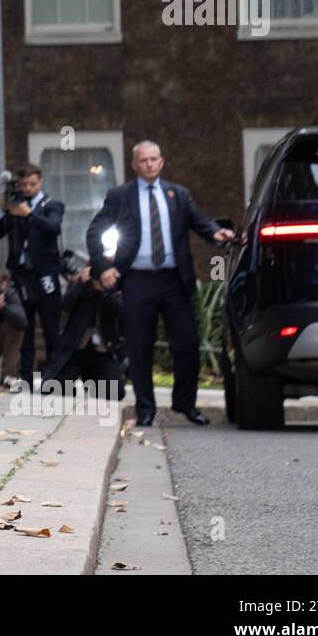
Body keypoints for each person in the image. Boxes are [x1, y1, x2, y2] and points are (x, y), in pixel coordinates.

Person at [85, 141, 234, 426]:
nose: (150, 164)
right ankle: (145, 410)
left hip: (174, 280)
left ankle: (186, 404)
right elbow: (95, 231)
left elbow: (200, 222)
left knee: (188, 342)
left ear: (162, 162)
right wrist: (103, 268)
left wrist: (217, 234)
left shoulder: (178, 194)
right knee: (140, 346)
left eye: (154, 159)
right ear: (134, 165)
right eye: (144, 160)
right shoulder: (120, 196)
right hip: (137, 280)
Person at [0, 163, 64, 391]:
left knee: (51, 328)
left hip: (45, 275)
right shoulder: (15, 207)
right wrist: (3, 209)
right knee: (25, 329)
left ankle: (53, 380)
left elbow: (54, 228)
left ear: (40, 182)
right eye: (24, 185)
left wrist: (30, 213)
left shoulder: (52, 205)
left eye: (33, 184)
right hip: (21, 276)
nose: (28, 188)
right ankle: (26, 380)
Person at [40, 264, 126, 402]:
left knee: (116, 393)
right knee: (53, 390)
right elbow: (66, 304)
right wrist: (81, 284)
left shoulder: (111, 290)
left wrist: (105, 291)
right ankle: (72, 385)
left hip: (100, 353)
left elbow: (119, 312)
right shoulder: (79, 286)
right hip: (75, 350)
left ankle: (92, 383)